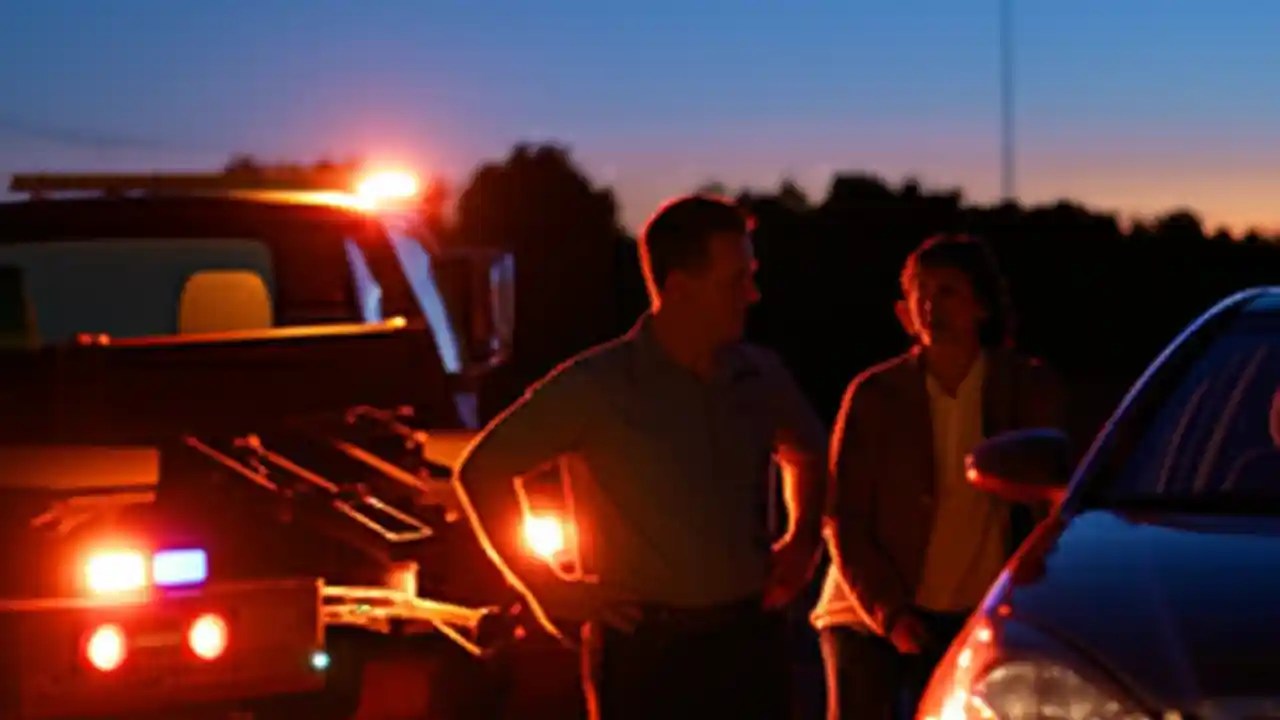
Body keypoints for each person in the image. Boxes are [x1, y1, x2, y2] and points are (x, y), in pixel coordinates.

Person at [452, 194, 828, 719]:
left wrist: (803, 535)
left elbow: (809, 451)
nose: (753, 294)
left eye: (751, 275)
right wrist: (546, 588)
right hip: (648, 651)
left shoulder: (760, 376)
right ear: (677, 289)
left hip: (749, 639)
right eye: (734, 281)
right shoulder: (599, 386)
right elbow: (482, 470)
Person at [810, 234, 1067, 720]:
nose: (930, 304)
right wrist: (890, 615)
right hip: (870, 612)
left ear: (982, 306)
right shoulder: (875, 395)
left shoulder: (1026, 387)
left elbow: (1053, 500)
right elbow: (845, 518)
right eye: (919, 291)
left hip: (973, 608)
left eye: (947, 290)